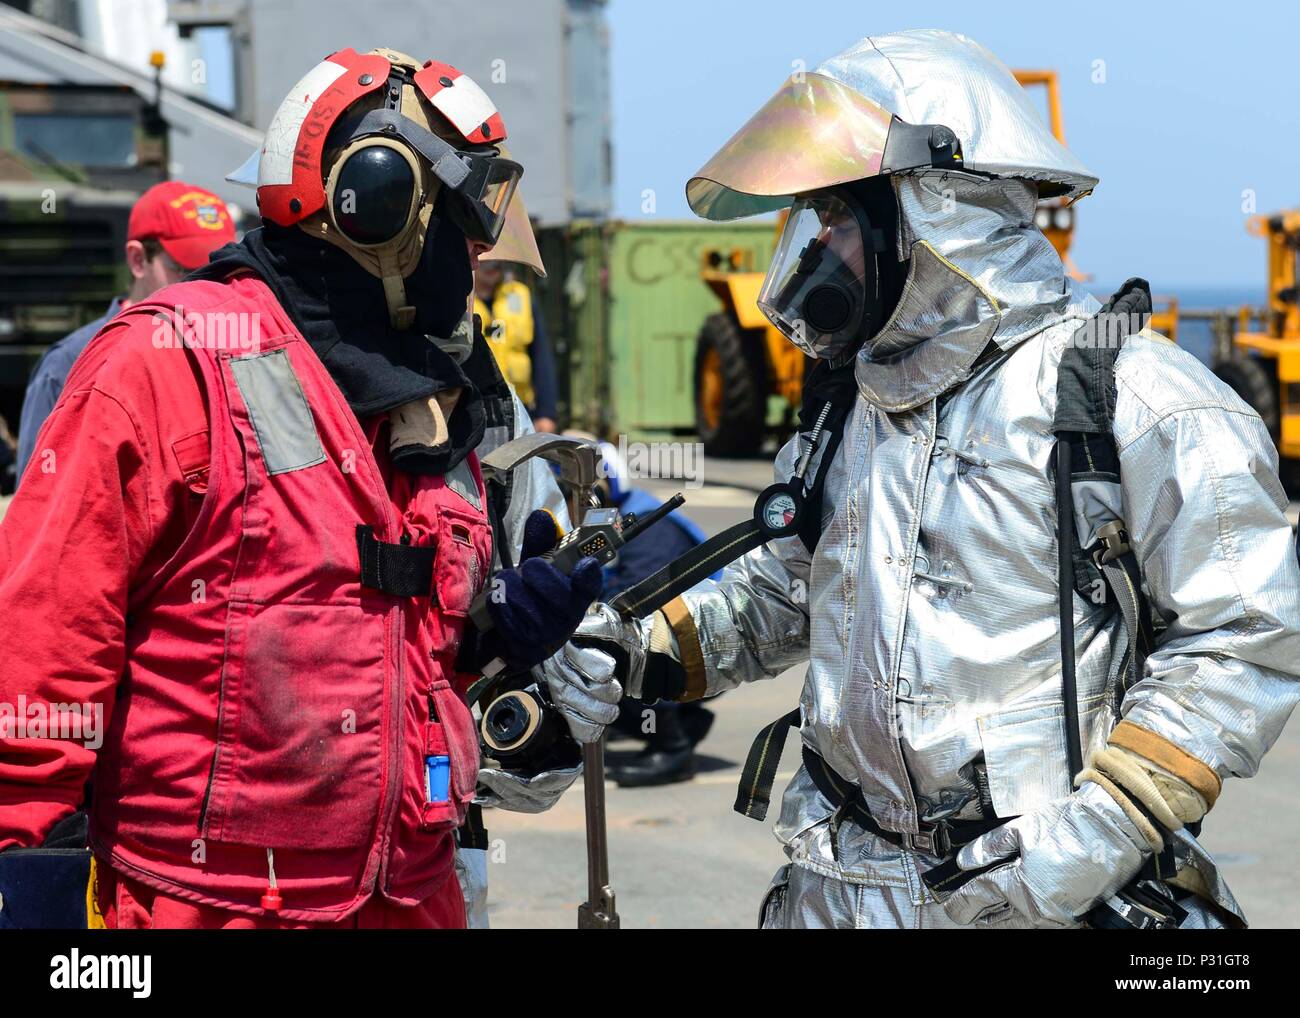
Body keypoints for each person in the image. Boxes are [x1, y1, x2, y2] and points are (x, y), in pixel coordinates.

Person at [548, 29, 1300, 928]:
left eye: (832, 217)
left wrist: (1084, 847)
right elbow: (789, 593)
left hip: (1039, 896)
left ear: (935, 210)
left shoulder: (1133, 395)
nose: (812, 249)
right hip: (838, 887)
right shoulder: (848, 411)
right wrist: (639, 650)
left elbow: (1244, 635)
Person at [0, 47, 616, 929]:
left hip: (409, 894)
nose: (476, 245)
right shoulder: (161, 367)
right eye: (465, 209)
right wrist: (32, 883)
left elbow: (387, 640)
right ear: (377, 198)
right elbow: (39, 650)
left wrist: (492, 633)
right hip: (208, 906)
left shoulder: (430, 395)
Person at [15, 181, 236, 481]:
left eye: (219, 270)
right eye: (185, 270)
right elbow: (35, 505)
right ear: (137, 260)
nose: (206, 286)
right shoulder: (66, 367)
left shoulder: (236, 349)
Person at [474, 260, 560, 432]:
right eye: (485, 259)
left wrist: (547, 412)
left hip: (520, 408)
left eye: (496, 262)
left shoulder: (520, 295)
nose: (491, 265)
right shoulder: (459, 299)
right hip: (475, 409)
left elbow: (541, 356)